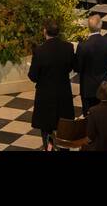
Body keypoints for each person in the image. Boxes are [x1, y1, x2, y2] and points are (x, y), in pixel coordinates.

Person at [28, 20, 76, 148]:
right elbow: (72, 67)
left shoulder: (39, 51)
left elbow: (32, 76)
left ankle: (48, 147)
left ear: (45, 31)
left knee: (46, 128)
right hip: (63, 94)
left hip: (46, 96)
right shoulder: (68, 47)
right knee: (64, 127)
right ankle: (64, 148)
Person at [75, 14, 107, 115]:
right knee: (105, 115)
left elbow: (78, 67)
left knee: (89, 116)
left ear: (88, 27)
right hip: (104, 86)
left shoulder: (82, 46)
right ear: (101, 26)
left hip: (87, 87)